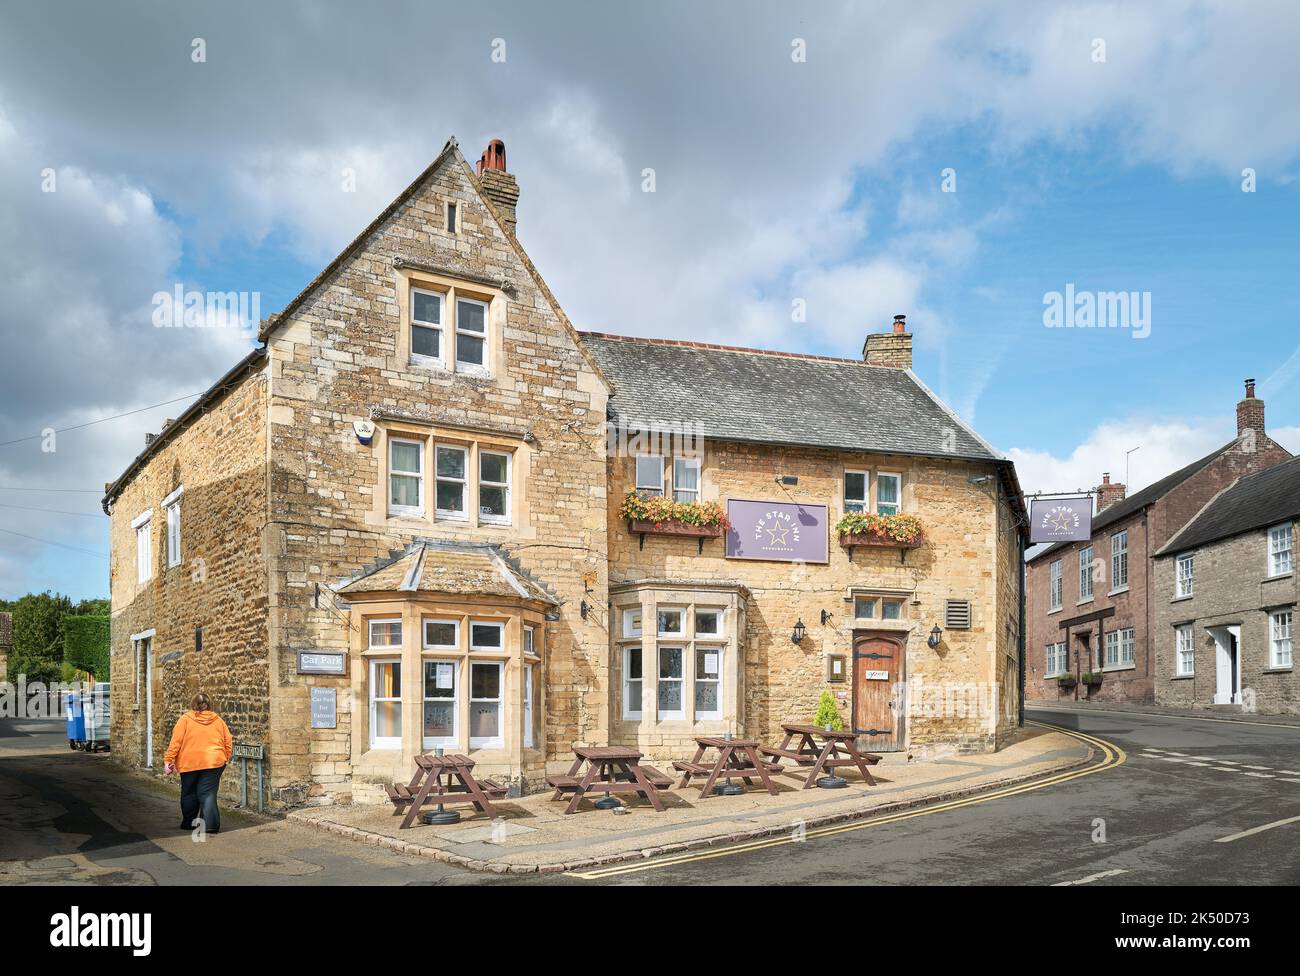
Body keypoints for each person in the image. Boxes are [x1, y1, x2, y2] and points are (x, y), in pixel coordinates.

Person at [163, 693, 233, 833]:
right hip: (214, 761)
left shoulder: (185, 720)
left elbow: (176, 742)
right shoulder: (218, 720)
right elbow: (228, 741)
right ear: (209, 704)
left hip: (189, 762)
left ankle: (189, 823)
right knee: (208, 793)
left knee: (189, 792)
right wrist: (225, 757)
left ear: (193, 704)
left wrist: (168, 760)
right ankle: (210, 825)